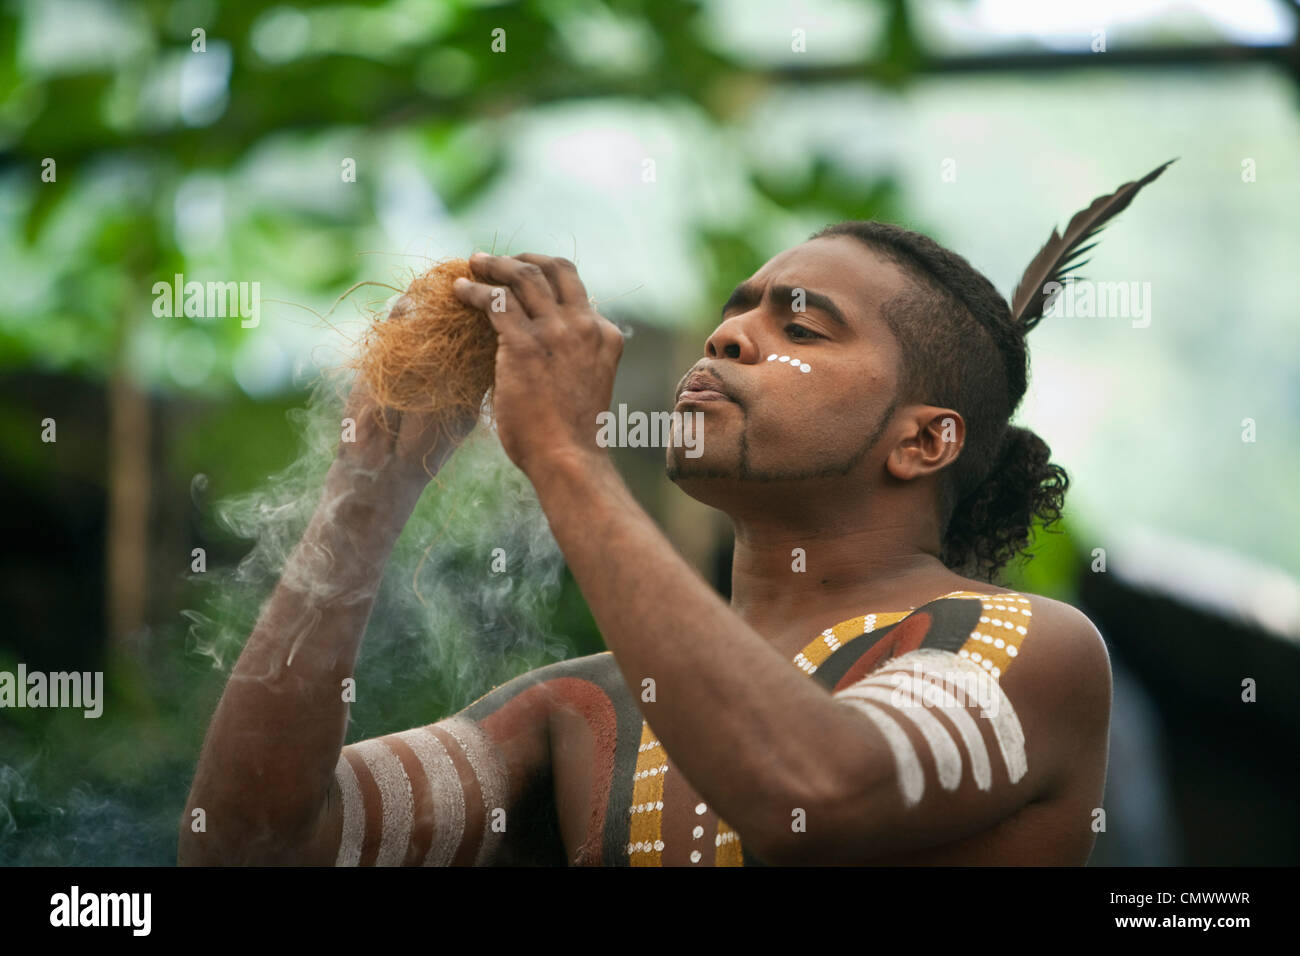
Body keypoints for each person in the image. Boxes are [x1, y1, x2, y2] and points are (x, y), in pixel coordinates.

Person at [179, 223, 1112, 866]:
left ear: (924, 441)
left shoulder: (1027, 647)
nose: (727, 338)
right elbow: (247, 848)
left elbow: (813, 792)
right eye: (735, 311)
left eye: (798, 327)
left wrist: (564, 455)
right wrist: (366, 495)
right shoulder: (587, 702)